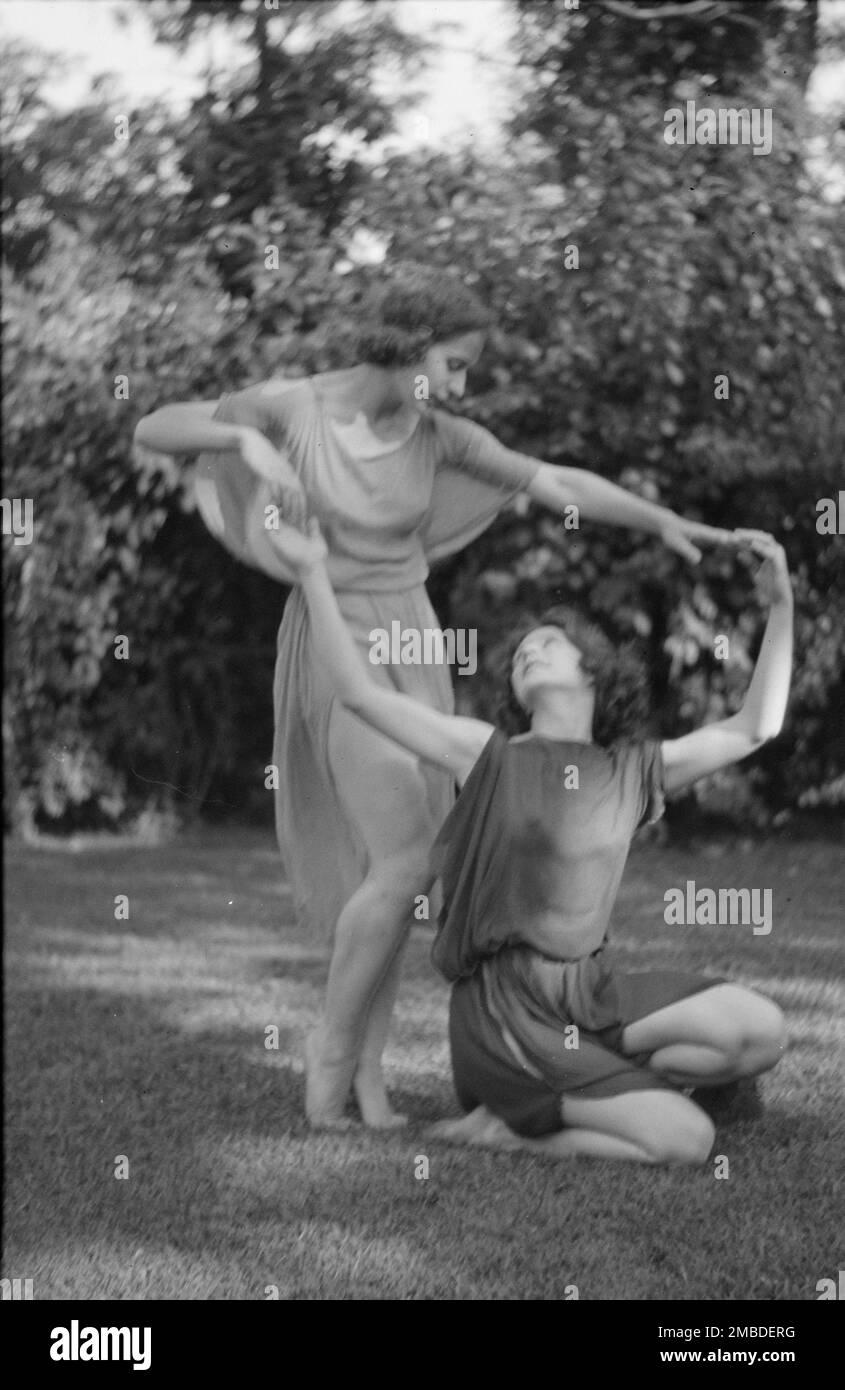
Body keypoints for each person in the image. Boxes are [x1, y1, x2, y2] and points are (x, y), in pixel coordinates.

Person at [134, 262, 741, 1131]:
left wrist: (660, 520)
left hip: (413, 639)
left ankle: (369, 1075)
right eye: (454, 363)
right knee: (405, 857)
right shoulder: (292, 405)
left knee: (404, 871)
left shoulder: (438, 434)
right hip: (333, 641)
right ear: (404, 344)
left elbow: (556, 483)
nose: (463, 384)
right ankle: (331, 1057)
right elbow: (158, 423)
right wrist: (241, 440)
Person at [267, 514, 791, 1163]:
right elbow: (357, 693)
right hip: (503, 1013)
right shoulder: (484, 754)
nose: (528, 651)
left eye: (548, 642)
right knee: (688, 1139)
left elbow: (753, 727)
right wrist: (314, 571)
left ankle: (598, 1084)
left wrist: (779, 608)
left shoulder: (630, 768)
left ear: (595, 672)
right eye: (521, 653)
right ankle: (507, 1126)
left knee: (760, 1032)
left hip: (588, 996)